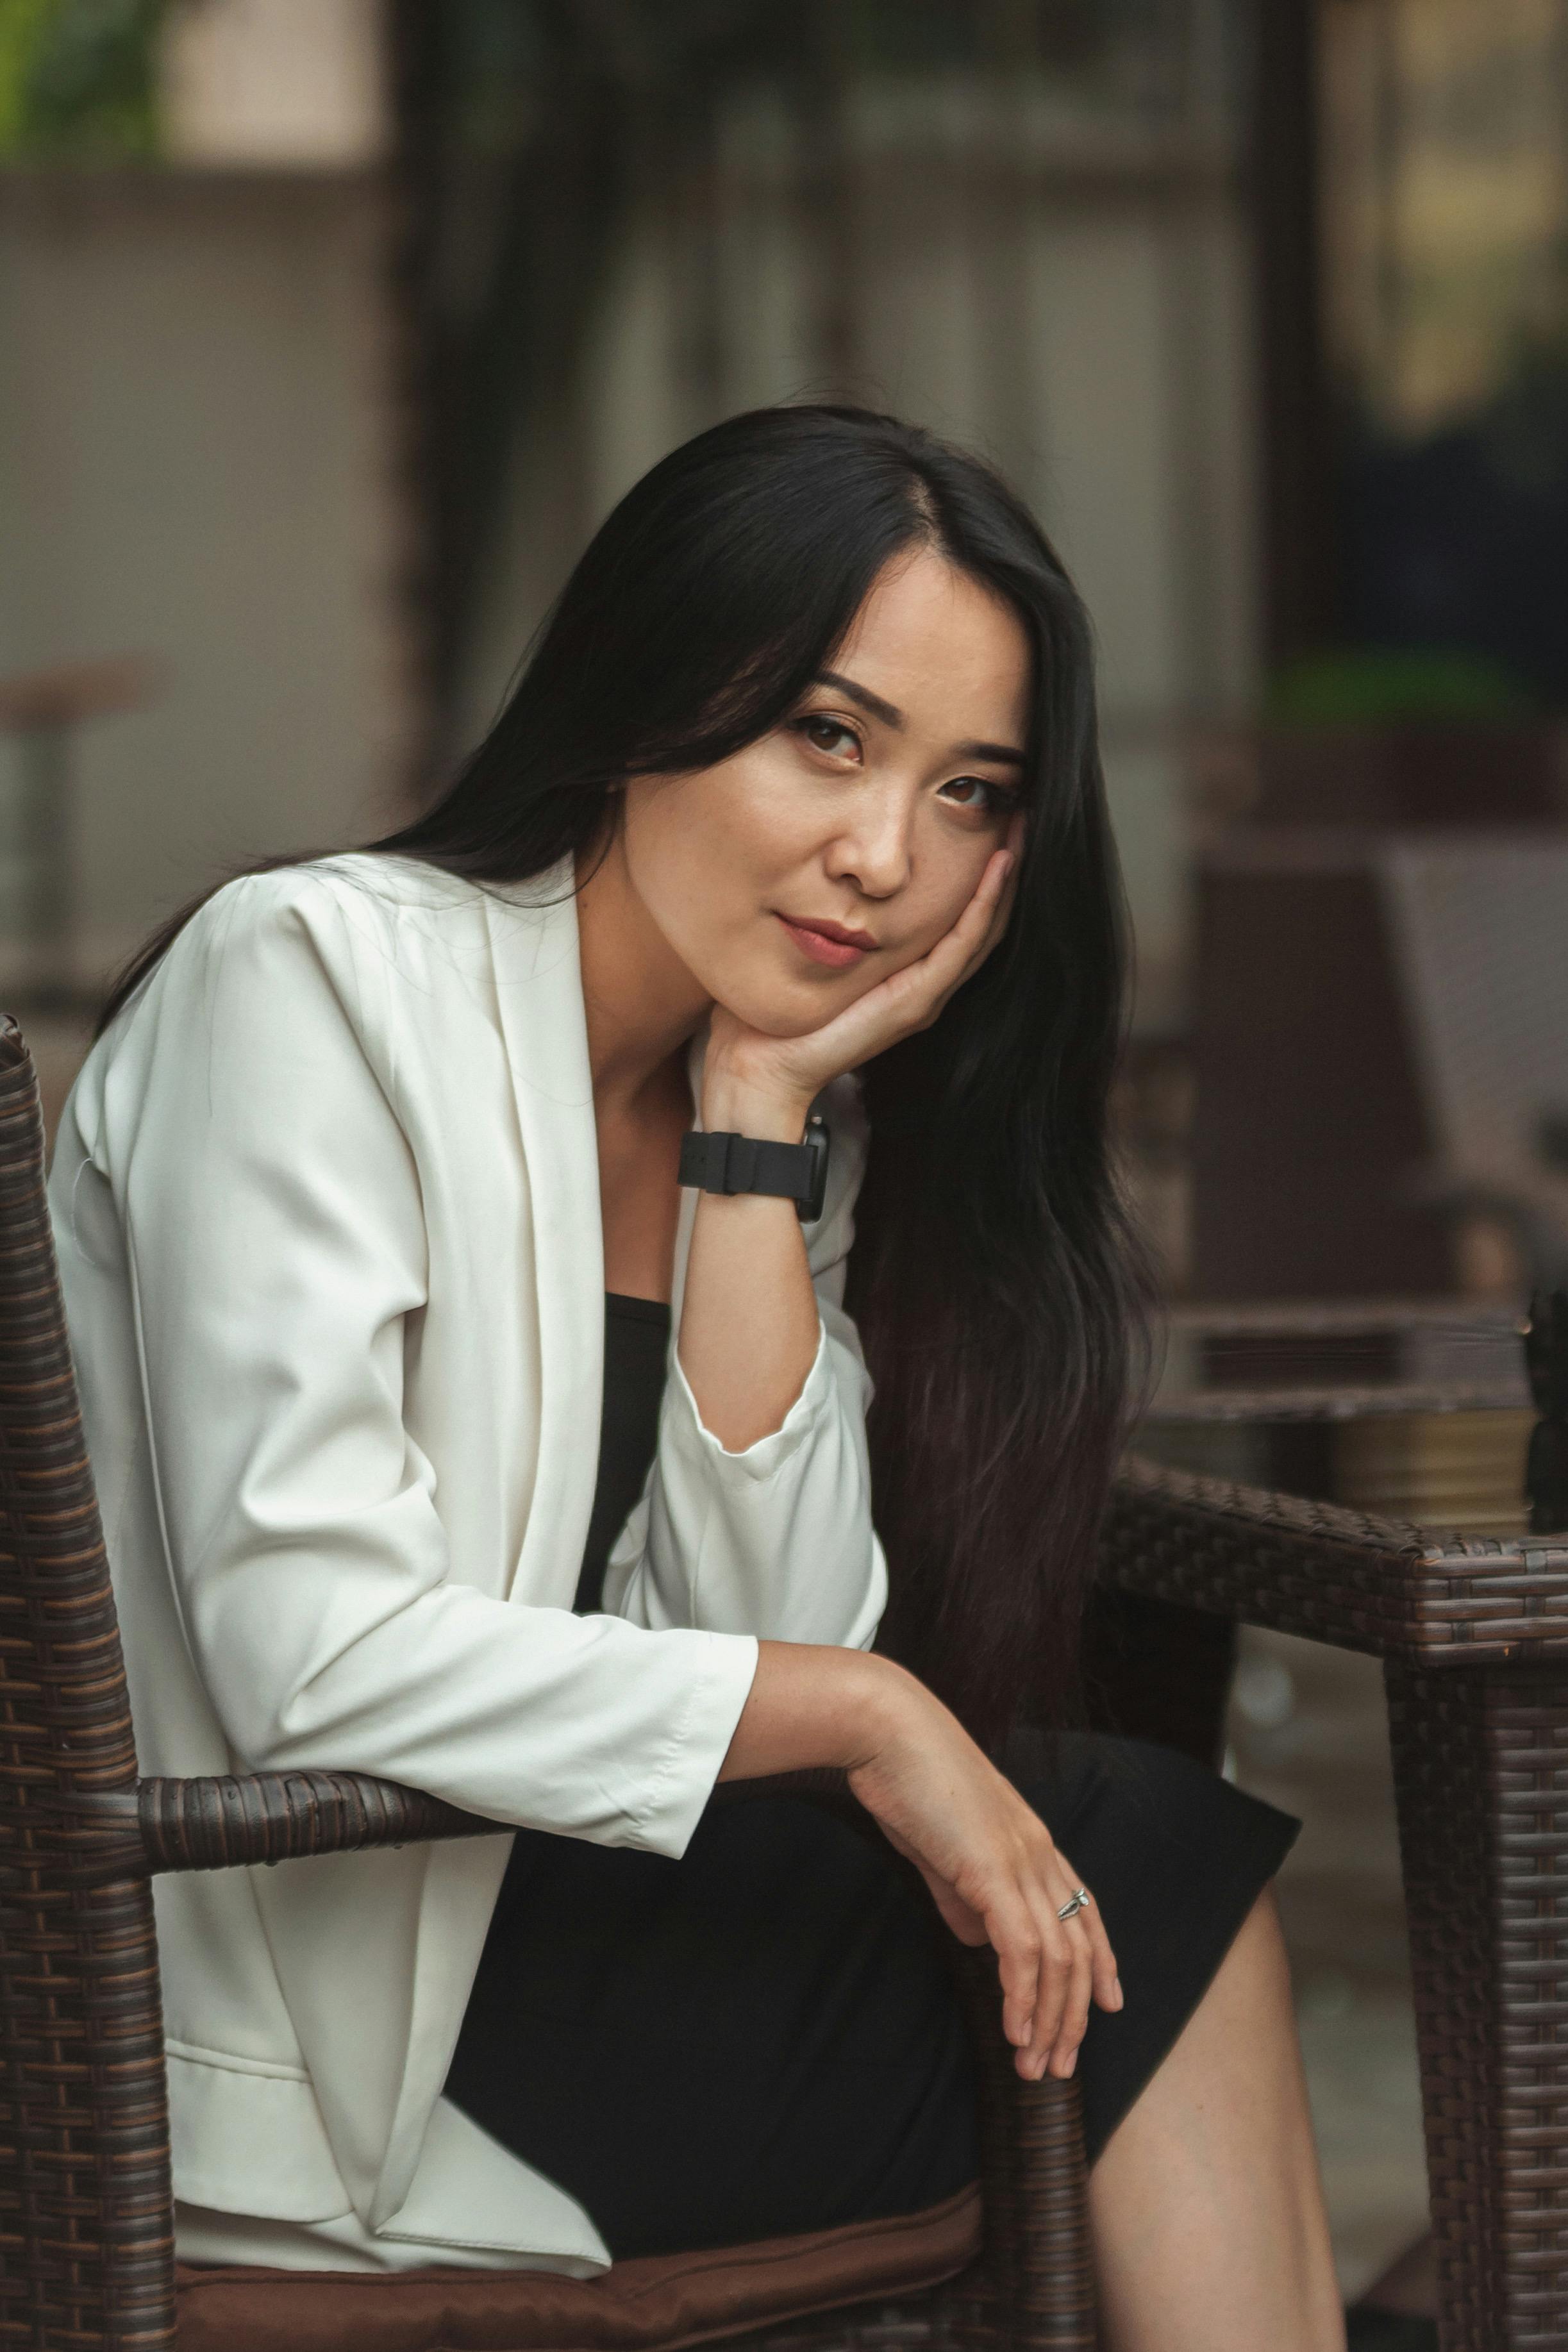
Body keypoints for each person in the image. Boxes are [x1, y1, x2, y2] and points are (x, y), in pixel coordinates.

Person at [51, 406, 1344, 2351]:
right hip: (303, 2011)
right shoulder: (309, 977)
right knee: (1147, 1871)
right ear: (650, 686)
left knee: (1139, 1857)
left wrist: (754, 1130)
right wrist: (876, 1712)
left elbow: (757, 1640)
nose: (886, 855)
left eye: (973, 790)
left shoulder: (762, 1099)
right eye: (829, 736)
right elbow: (299, 1644)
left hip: (542, 1926)